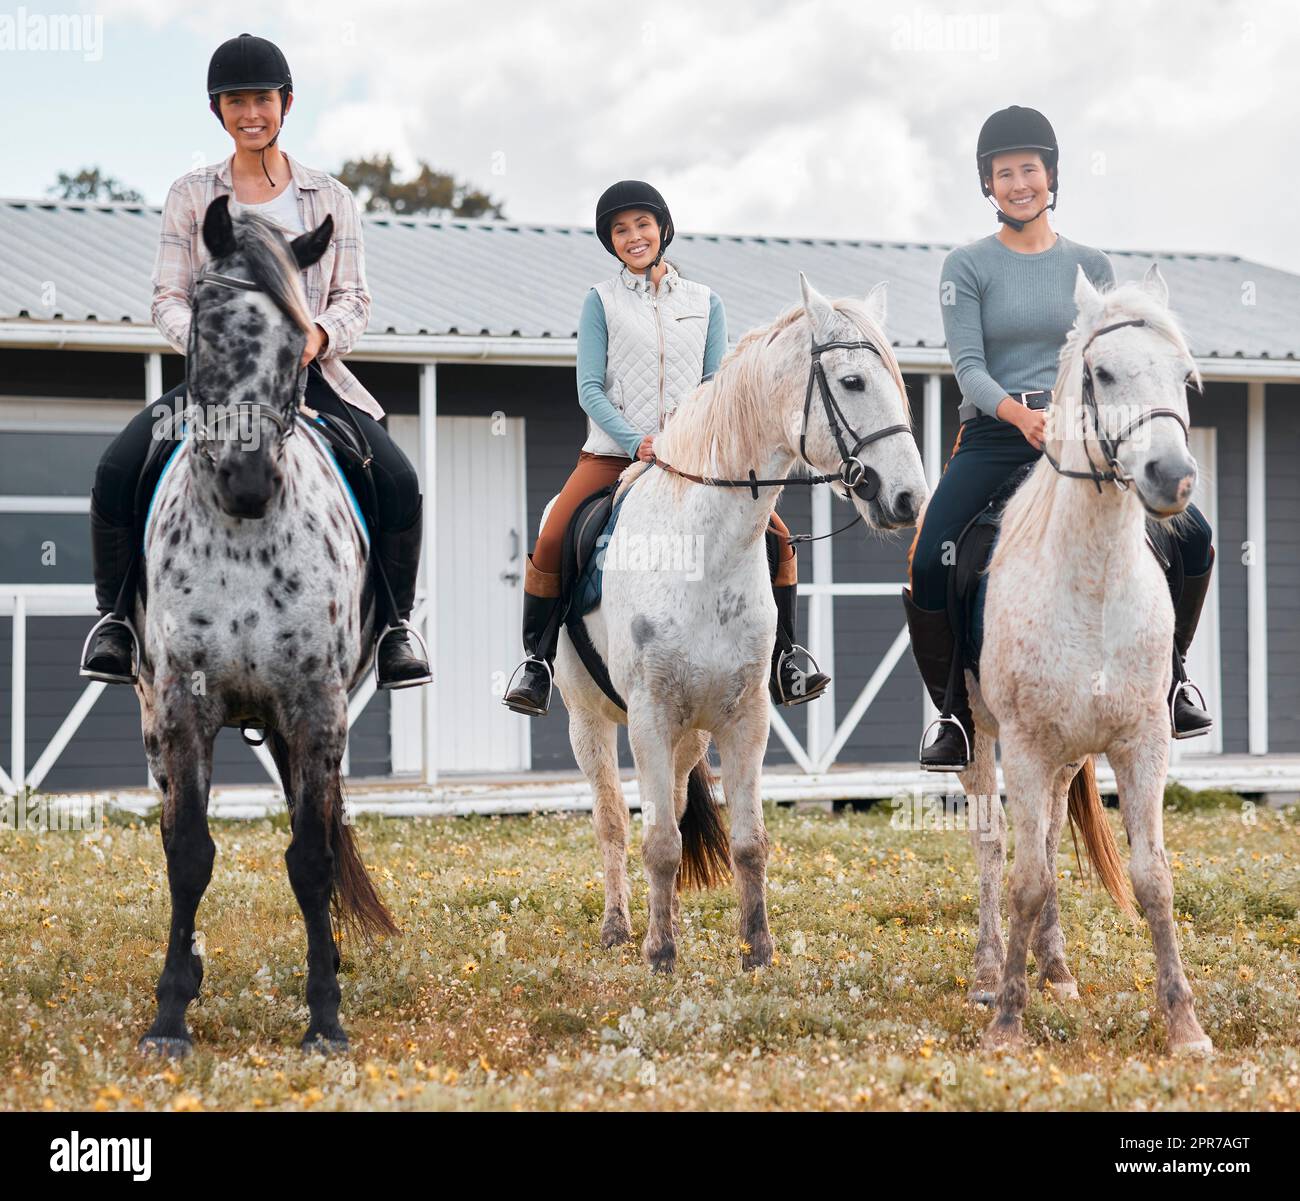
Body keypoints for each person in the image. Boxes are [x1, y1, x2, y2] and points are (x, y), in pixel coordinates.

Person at [79, 32, 430, 690]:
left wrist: (315, 338)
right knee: (116, 469)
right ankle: (116, 622)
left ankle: (395, 629)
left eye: (261, 100)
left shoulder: (331, 198)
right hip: (214, 384)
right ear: (219, 112)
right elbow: (167, 296)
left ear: (286, 103)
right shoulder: (190, 195)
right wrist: (215, 349)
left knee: (398, 481)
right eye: (235, 101)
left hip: (304, 378)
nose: (250, 114)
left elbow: (354, 297)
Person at [904, 105, 1215, 771]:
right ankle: (953, 715)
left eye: (1030, 169)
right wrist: (1020, 415)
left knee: (1196, 536)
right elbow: (969, 368)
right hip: (996, 437)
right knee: (933, 557)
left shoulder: (1091, 263)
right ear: (987, 184)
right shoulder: (965, 266)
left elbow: (1113, 353)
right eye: (1004, 172)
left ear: (1051, 177)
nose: (1019, 182)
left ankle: (1174, 676)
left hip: (1088, 438)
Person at [502, 180, 831, 716]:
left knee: (777, 536)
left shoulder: (705, 302)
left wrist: (683, 439)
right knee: (555, 532)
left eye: (642, 225)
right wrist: (637, 443)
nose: (634, 237)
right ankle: (536, 663)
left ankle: (787, 656)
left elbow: (712, 387)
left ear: (662, 229)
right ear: (611, 241)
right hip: (612, 454)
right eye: (621, 230)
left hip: (693, 461)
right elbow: (590, 388)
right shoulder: (600, 302)